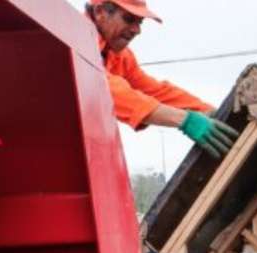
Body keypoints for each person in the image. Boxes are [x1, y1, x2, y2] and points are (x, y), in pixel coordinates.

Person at [86, 0, 239, 157]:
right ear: (100, 12)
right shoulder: (74, 39)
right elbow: (104, 89)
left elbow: (155, 91)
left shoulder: (119, 57)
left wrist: (208, 111)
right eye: (129, 19)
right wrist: (184, 120)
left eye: (140, 22)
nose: (136, 30)